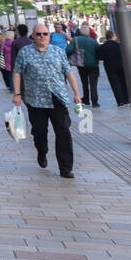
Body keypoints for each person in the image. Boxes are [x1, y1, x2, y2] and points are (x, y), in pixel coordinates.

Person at [13, 24, 83, 178]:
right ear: (33, 35)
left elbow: (69, 73)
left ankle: (65, 168)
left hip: (57, 97)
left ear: (49, 35)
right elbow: (17, 72)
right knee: (39, 132)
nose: (42, 36)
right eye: (38, 34)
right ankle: (42, 150)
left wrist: (77, 93)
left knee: (63, 131)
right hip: (35, 100)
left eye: (45, 34)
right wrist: (17, 93)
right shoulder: (25, 52)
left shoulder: (58, 52)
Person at [66, 29, 101, 108]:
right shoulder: (93, 41)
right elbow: (99, 51)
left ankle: (86, 99)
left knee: (84, 82)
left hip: (81, 64)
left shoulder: (76, 40)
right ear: (88, 33)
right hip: (93, 65)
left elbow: (68, 50)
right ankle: (95, 101)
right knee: (93, 84)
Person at [97, 30, 131, 108]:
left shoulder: (103, 46)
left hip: (110, 67)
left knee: (115, 84)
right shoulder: (119, 45)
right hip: (121, 66)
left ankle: (120, 102)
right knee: (123, 83)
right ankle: (126, 100)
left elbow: (99, 57)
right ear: (113, 37)